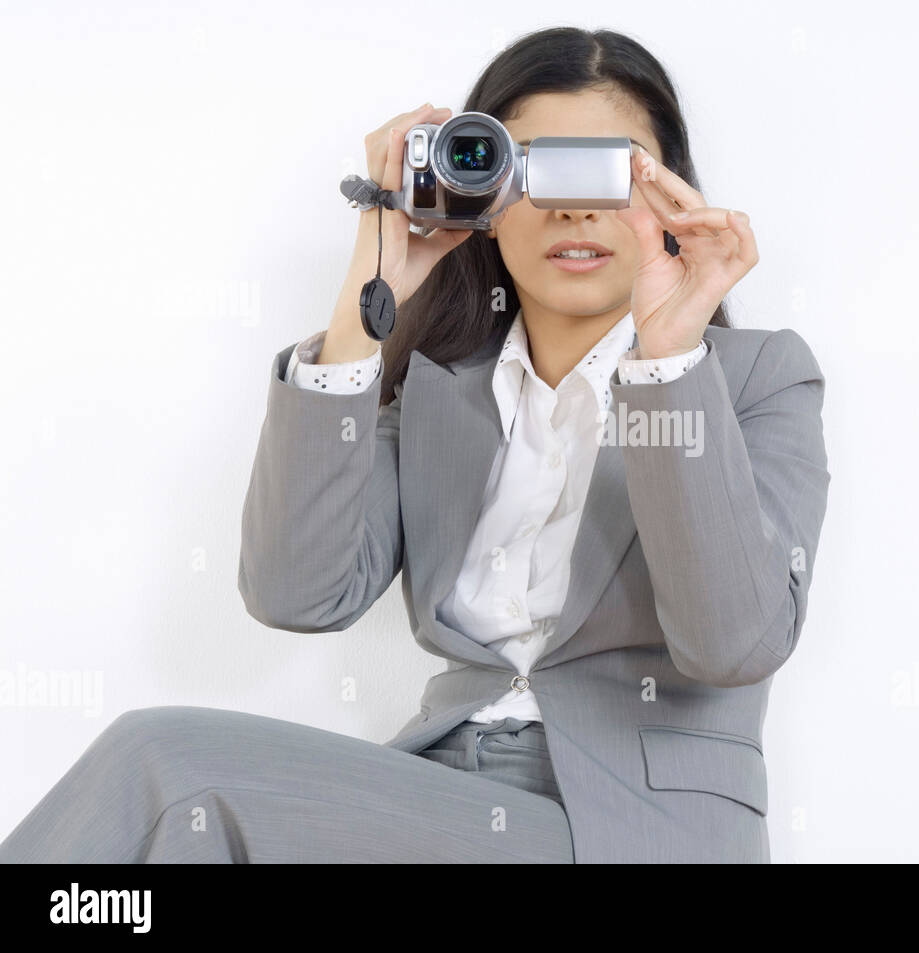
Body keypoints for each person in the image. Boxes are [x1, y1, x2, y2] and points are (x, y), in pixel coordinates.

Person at [0, 25, 829, 864]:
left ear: (670, 199)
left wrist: (669, 358)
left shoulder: (757, 377)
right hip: (435, 797)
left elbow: (732, 641)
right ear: (481, 193)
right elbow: (298, 592)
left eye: (608, 173)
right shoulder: (440, 395)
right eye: (533, 168)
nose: (574, 207)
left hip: (634, 830)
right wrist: (367, 304)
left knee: (170, 774)